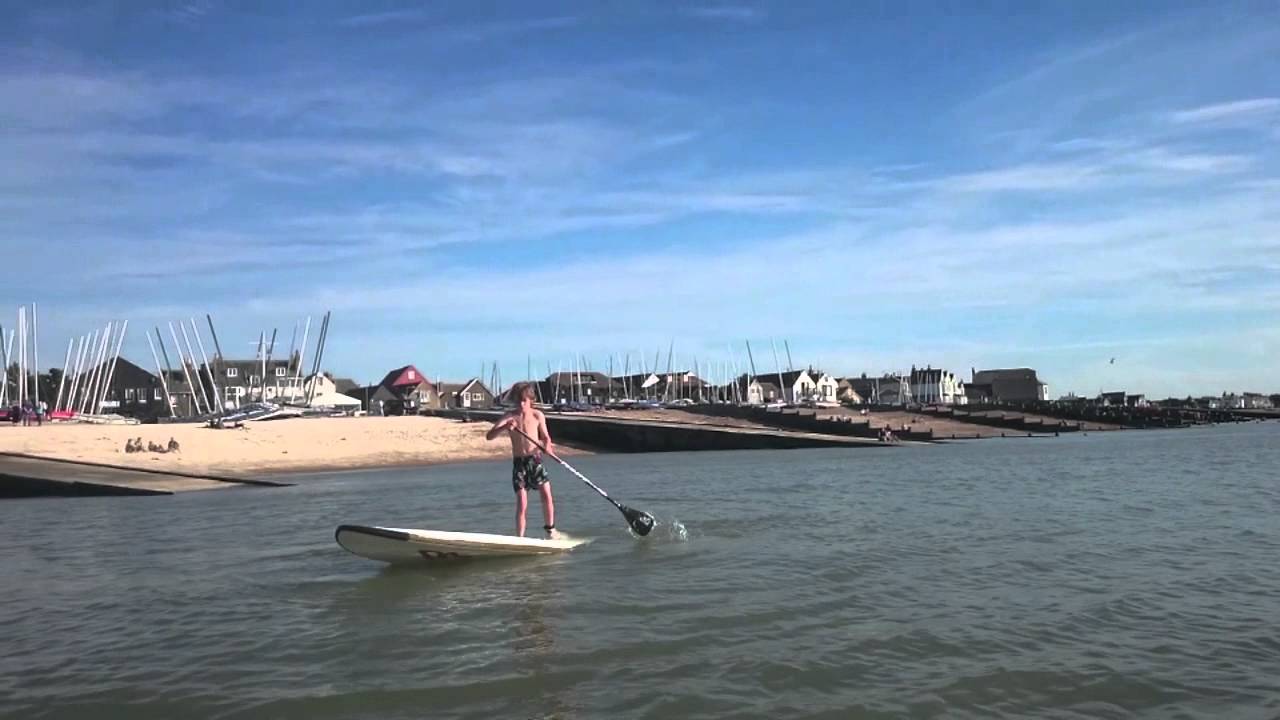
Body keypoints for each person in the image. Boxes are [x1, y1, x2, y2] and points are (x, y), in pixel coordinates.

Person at [486, 382, 559, 539]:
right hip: (519, 464)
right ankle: (520, 538)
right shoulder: (509, 416)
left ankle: (550, 531)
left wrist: (547, 447)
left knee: (546, 495)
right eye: (518, 401)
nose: (521, 404)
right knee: (522, 502)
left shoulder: (537, 415)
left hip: (536, 460)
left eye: (524, 400)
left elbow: (546, 437)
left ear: (530, 400)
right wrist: (504, 428)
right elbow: (489, 436)